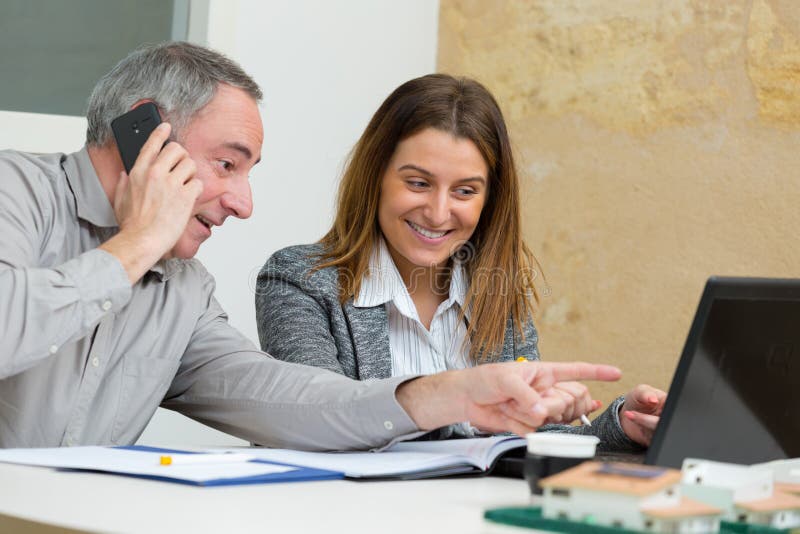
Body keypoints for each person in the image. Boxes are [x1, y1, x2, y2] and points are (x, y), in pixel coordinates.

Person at [0, 42, 621, 450]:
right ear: (144, 134)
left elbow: (285, 399)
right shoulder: (15, 192)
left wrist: (449, 394)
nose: (244, 204)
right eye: (226, 164)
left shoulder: (182, 293)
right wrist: (138, 242)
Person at [256, 74, 665, 450]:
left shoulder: (497, 291)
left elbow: (530, 438)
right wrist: (468, 401)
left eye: (465, 191)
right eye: (418, 183)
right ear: (375, 176)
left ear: (489, 200)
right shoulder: (298, 281)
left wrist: (621, 425)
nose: (437, 212)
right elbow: (321, 424)